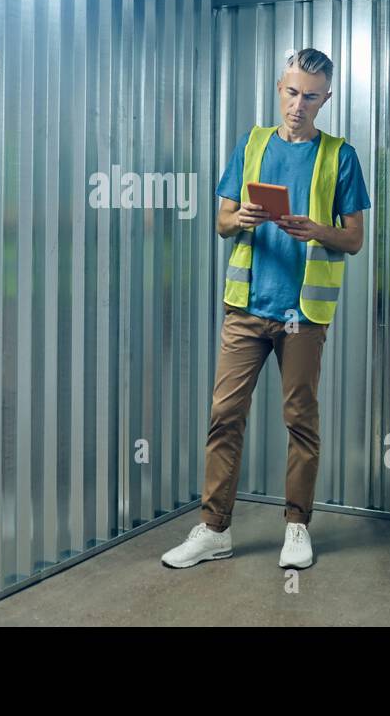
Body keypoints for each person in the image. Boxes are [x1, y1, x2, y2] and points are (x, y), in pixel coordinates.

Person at [161, 48, 371, 570]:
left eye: (311, 96)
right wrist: (244, 219)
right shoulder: (252, 143)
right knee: (224, 416)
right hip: (246, 308)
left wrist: (315, 230)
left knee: (299, 418)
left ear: (327, 99)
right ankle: (214, 530)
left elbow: (354, 241)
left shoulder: (339, 155)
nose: (299, 104)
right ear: (280, 87)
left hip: (303, 314)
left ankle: (296, 527)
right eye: (292, 91)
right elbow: (222, 222)